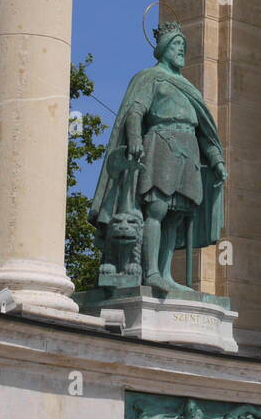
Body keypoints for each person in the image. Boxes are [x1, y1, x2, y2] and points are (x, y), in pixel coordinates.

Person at [91, 21, 226, 292]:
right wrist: (135, 140)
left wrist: (216, 161)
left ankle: (166, 273)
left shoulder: (189, 88)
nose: (181, 51)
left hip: (188, 149)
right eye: (176, 45)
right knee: (157, 208)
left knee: (177, 215)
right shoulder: (150, 77)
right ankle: (150, 271)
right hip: (160, 143)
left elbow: (205, 132)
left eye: (183, 46)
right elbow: (136, 111)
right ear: (163, 49)